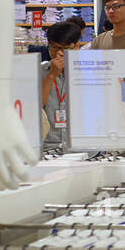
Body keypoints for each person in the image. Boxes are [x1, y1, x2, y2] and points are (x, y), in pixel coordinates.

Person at [40, 20, 82, 152]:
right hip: (49, 148)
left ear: (76, 46)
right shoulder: (38, 71)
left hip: (82, 149)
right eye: (54, 47)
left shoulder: (89, 73)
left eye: (64, 48)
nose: (59, 53)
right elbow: (35, 108)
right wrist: (51, 75)